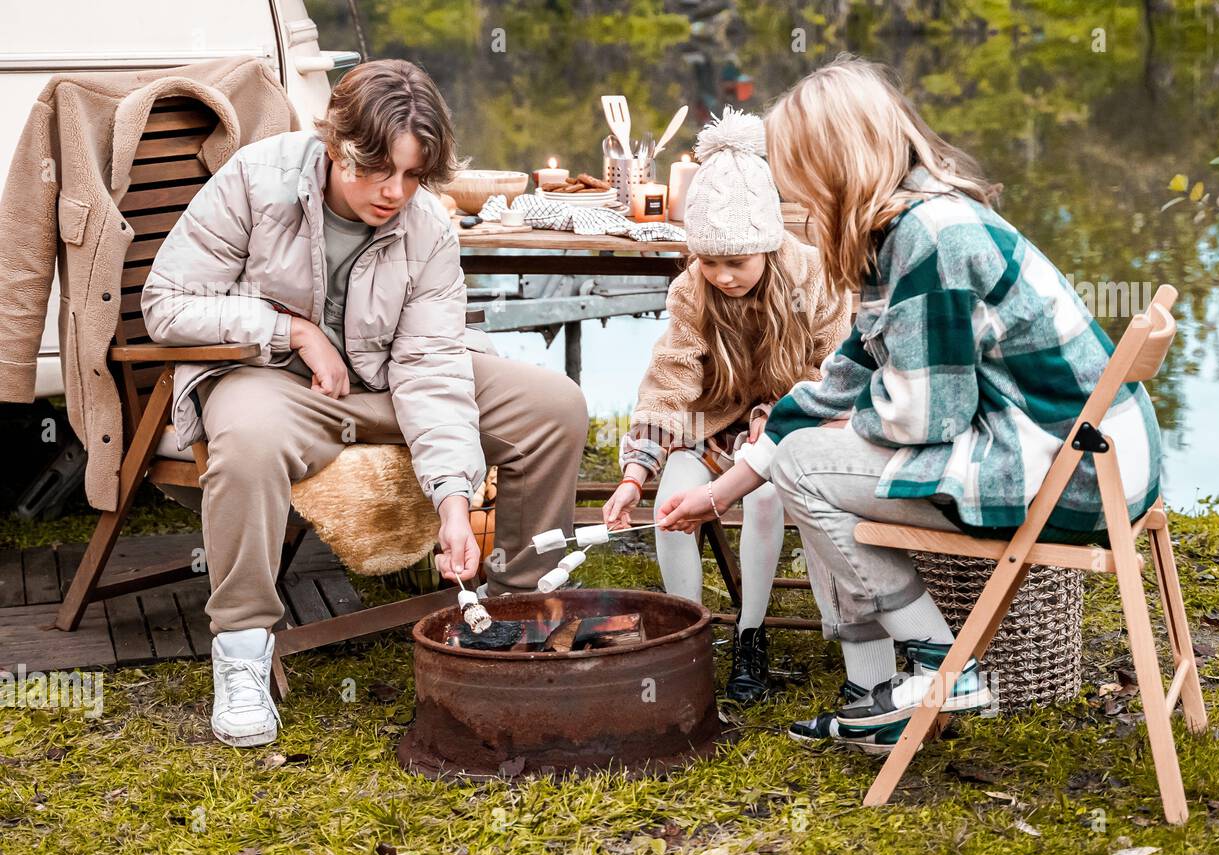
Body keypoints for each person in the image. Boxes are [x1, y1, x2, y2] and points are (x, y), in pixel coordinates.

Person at [657, 55, 1162, 751]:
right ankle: (877, 688)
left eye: (799, 173)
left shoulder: (930, 240)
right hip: (1090, 455)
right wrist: (728, 489)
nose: (794, 193)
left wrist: (842, 425)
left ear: (835, 164)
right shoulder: (912, 223)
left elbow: (927, 416)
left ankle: (941, 665)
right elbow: (852, 367)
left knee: (807, 469)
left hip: (1071, 477)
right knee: (805, 457)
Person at [141, 60, 589, 747]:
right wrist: (291, 331)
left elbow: (430, 368)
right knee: (248, 438)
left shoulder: (427, 225)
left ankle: (516, 615)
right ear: (334, 144)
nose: (395, 192)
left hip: (389, 384)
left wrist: (454, 501)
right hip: (280, 385)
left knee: (552, 406)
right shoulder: (257, 180)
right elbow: (167, 306)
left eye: (413, 175)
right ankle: (243, 648)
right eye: (379, 170)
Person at [603, 107, 850, 703]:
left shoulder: (813, 276)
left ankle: (750, 634)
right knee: (670, 502)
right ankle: (685, 638)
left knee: (762, 496)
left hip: (788, 427)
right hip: (708, 425)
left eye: (735, 262)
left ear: (767, 244)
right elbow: (670, 380)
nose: (721, 276)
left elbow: (834, 368)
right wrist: (635, 474)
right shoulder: (692, 290)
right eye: (708, 262)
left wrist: (777, 415)